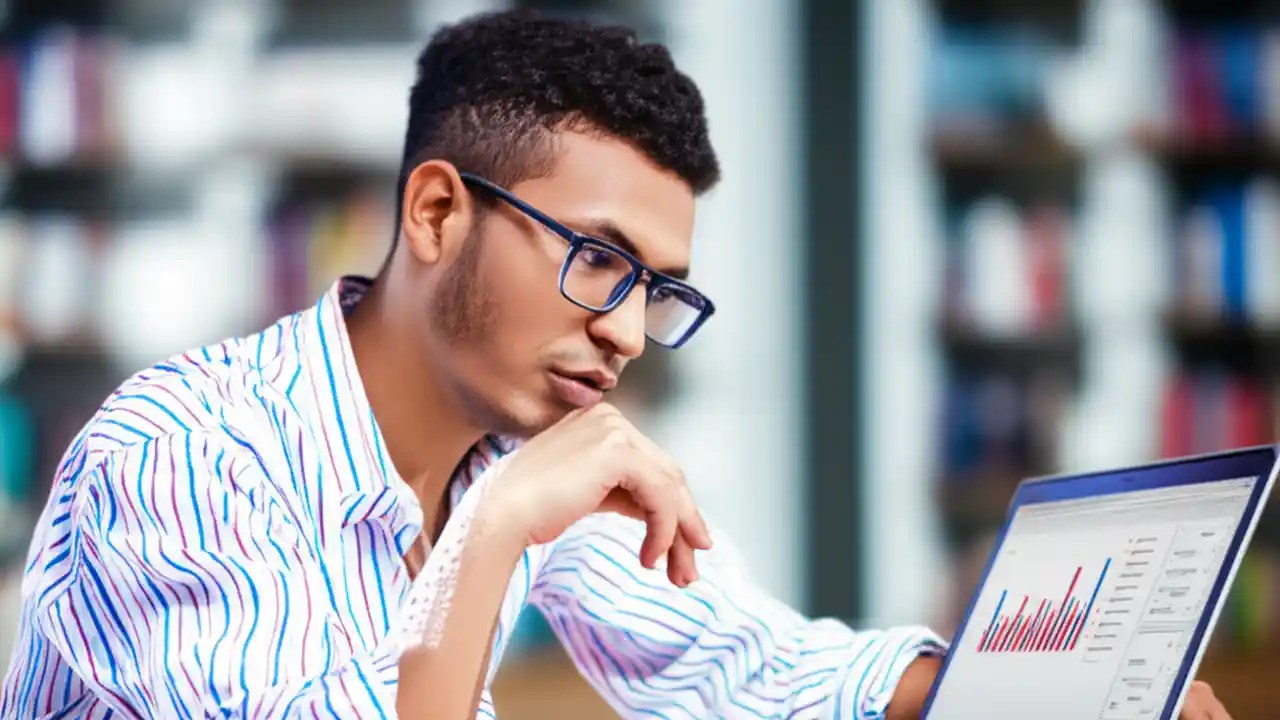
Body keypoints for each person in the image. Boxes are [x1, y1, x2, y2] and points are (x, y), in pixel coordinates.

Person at [0, 9, 1232, 720]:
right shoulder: (180, 453)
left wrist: (1042, 699)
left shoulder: (513, 452)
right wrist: (490, 540)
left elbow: (746, 662)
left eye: (658, 289)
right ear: (434, 215)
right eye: (599, 259)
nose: (628, 331)